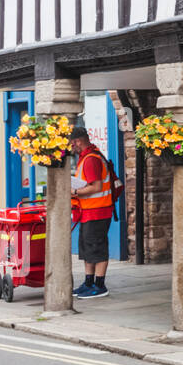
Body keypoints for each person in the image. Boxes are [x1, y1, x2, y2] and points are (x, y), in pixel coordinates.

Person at [69, 127, 114, 299]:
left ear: (78, 141)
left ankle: (100, 285)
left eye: (72, 144)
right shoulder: (87, 157)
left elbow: (96, 186)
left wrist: (74, 192)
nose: (72, 148)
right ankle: (89, 283)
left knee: (97, 248)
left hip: (98, 211)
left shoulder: (90, 160)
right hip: (90, 211)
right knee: (88, 248)